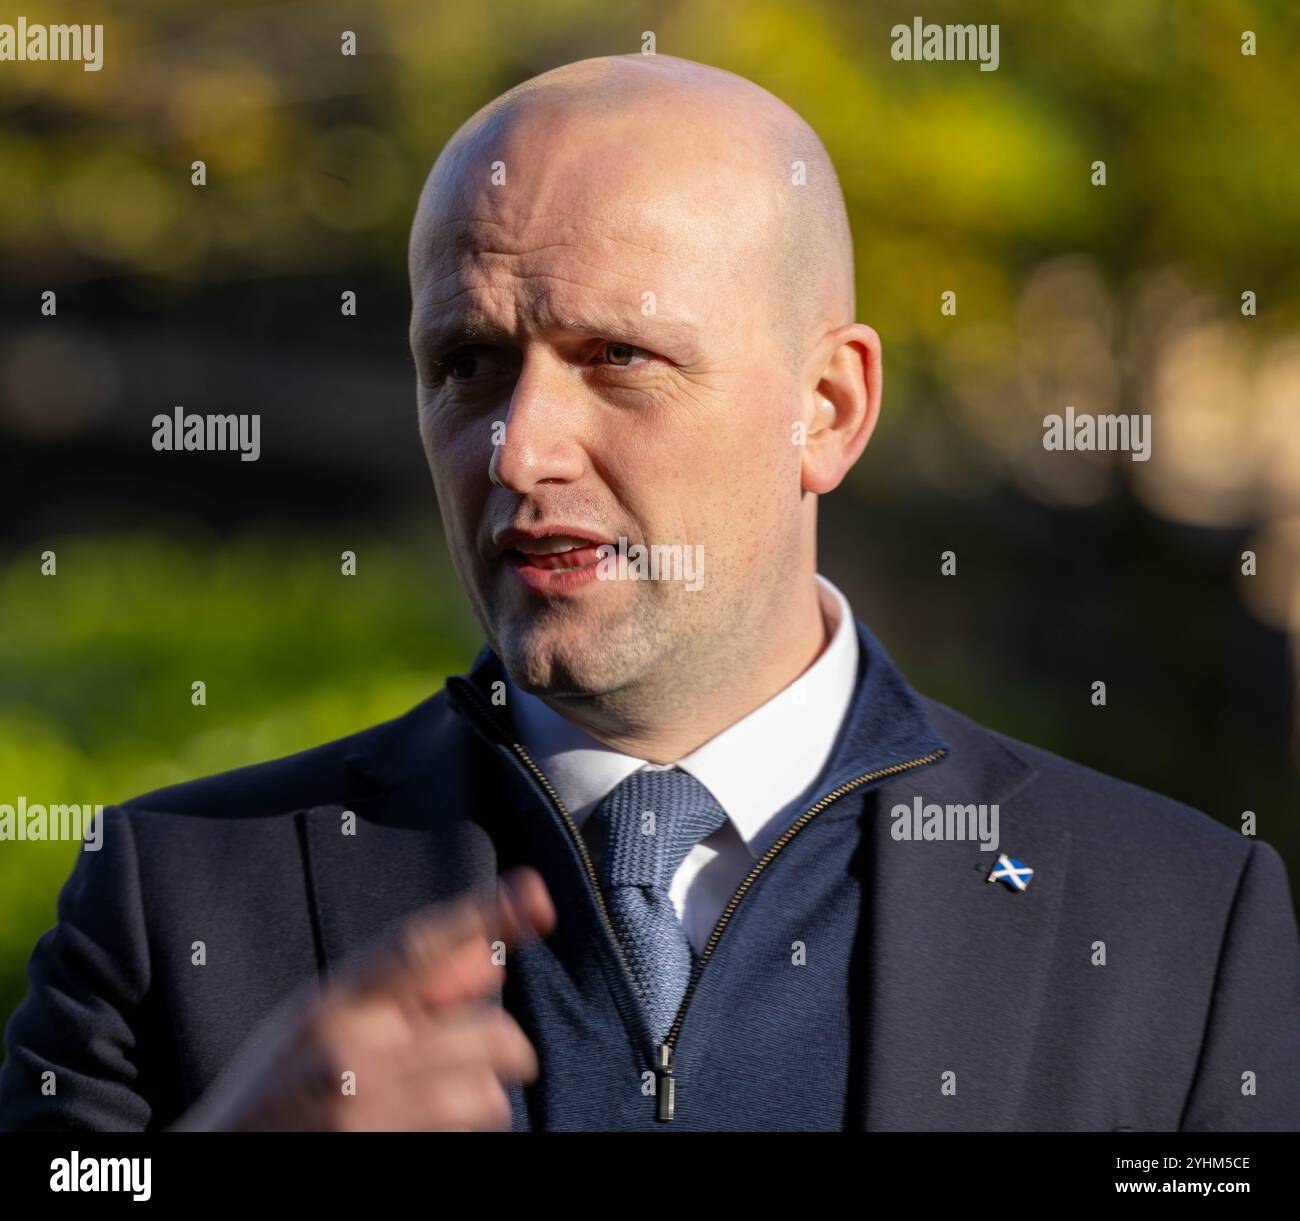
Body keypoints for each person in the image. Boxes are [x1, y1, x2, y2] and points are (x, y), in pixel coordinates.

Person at [2, 53, 1297, 1133]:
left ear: (828, 408)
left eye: (619, 357)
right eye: (467, 362)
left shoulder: (1175, 924)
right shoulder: (176, 896)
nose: (518, 449)